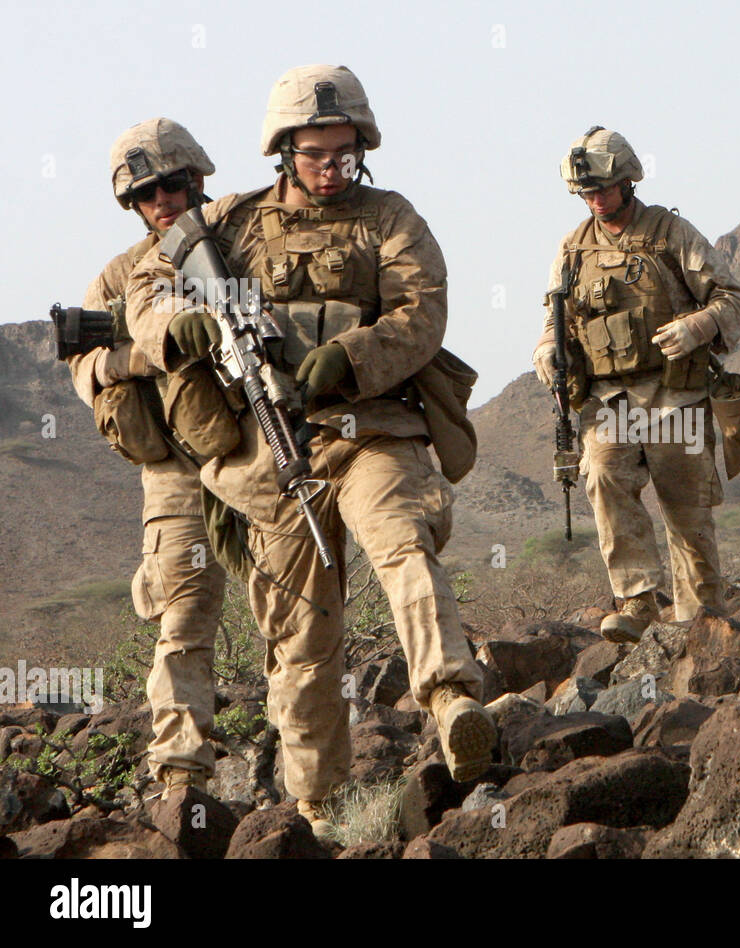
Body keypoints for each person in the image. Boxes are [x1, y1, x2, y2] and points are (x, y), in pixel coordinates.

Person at [127, 65, 493, 834]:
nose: (332, 169)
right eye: (316, 154)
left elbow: (423, 311)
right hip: (269, 452)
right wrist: (177, 326)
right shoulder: (229, 221)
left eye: (345, 153)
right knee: (299, 632)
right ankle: (318, 803)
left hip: (368, 429)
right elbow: (146, 288)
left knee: (403, 545)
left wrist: (355, 355)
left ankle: (452, 695)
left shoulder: (390, 218)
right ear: (283, 151)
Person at [533, 127, 740, 642]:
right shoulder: (571, 248)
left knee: (687, 508)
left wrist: (699, 325)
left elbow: (732, 297)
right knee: (604, 479)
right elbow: (555, 319)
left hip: (677, 393)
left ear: (628, 180)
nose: (596, 199)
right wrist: (546, 352)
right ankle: (636, 600)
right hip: (610, 399)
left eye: (604, 188)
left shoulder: (670, 233)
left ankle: (703, 619)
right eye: (586, 193)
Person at [66, 118, 226, 801]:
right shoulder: (116, 278)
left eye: (173, 185)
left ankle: (312, 765)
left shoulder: (245, 245)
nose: (162, 201)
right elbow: (85, 369)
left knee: (296, 608)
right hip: (176, 470)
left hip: (260, 451)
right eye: (147, 193)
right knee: (184, 616)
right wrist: (152, 351)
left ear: (197, 181)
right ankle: (181, 776)